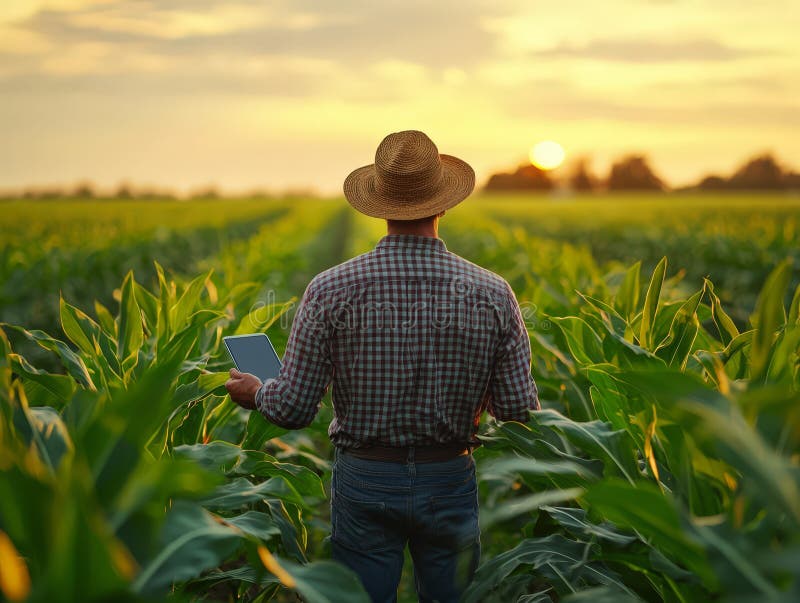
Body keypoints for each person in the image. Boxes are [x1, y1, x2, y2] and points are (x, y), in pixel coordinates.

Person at [225, 130, 539, 602]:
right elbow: (518, 409)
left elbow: (293, 409)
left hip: (365, 477)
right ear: (443, 205)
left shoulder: (329, 289)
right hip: (449, 476)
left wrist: (256, 390)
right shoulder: (492, 292)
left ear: (379, 205)